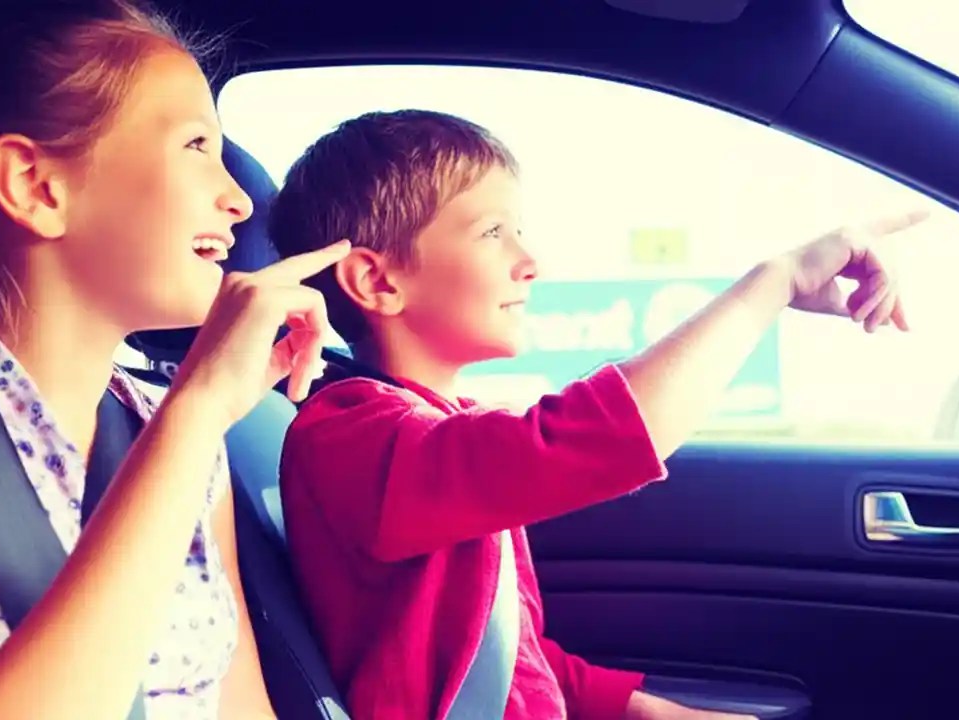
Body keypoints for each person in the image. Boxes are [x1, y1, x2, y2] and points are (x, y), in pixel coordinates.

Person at [0, 1, 348, 718]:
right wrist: (198, 414)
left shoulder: (166, 427)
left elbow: (236, 706)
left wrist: (190, 423)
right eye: (197, 146)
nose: (238, 200)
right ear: (35, 187)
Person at [269, 109, 925, 720]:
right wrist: (774, 282)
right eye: (493, 233)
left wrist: (660, 712)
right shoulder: (353, 433)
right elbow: (591, 438)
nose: (530, 263)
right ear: (377, 281)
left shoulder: (433, 429)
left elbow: (503, 655)